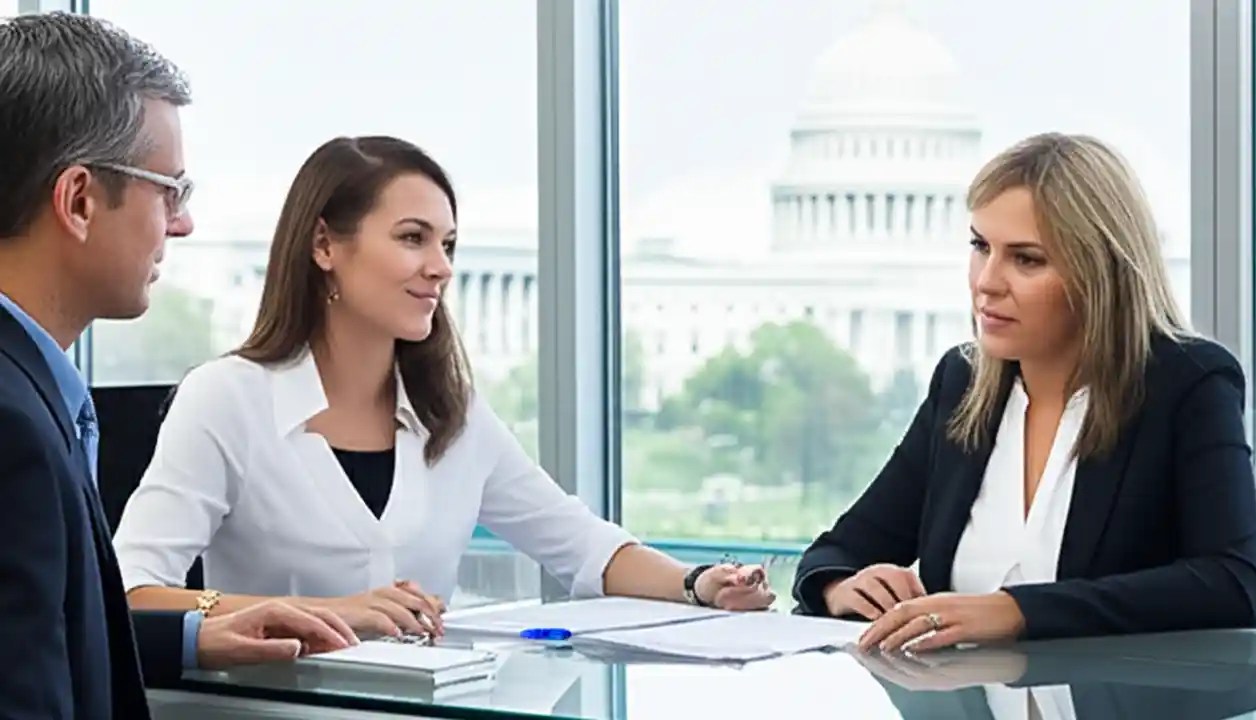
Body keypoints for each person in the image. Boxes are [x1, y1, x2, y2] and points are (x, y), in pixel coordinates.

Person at [113, 135, 774, 636]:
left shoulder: (452, 413)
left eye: (448, 245)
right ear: (324, 246)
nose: (440, 268)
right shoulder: (226, 399)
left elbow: (583, 547)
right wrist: (324, 612)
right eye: (413, 239)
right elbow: (132, 593)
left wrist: (698, 584)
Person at [0, 13, 358, 720]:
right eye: (170, 191)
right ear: (78, 201)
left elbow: (34, 631)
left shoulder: (30, 393)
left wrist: (191, 636)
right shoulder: (13, 430)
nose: (182, 223)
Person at [791, 132, 1256, 651]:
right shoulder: (962, 383)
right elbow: (837, 552)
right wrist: (841, 587)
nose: (987, 282)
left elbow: (1233, 582)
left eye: (1027, 259)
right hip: (966, 690)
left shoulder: (1188, 382)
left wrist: (1016, 611)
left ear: (1098, 273)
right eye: (980, 247)